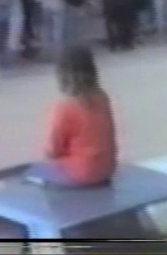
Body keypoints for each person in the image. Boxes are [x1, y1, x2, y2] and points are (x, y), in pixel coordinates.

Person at [25, 46, 118, 187]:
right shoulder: (102, 97)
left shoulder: (64, 106)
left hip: (81, 173)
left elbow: (52, 150)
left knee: (33, 174)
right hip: (107, 168)